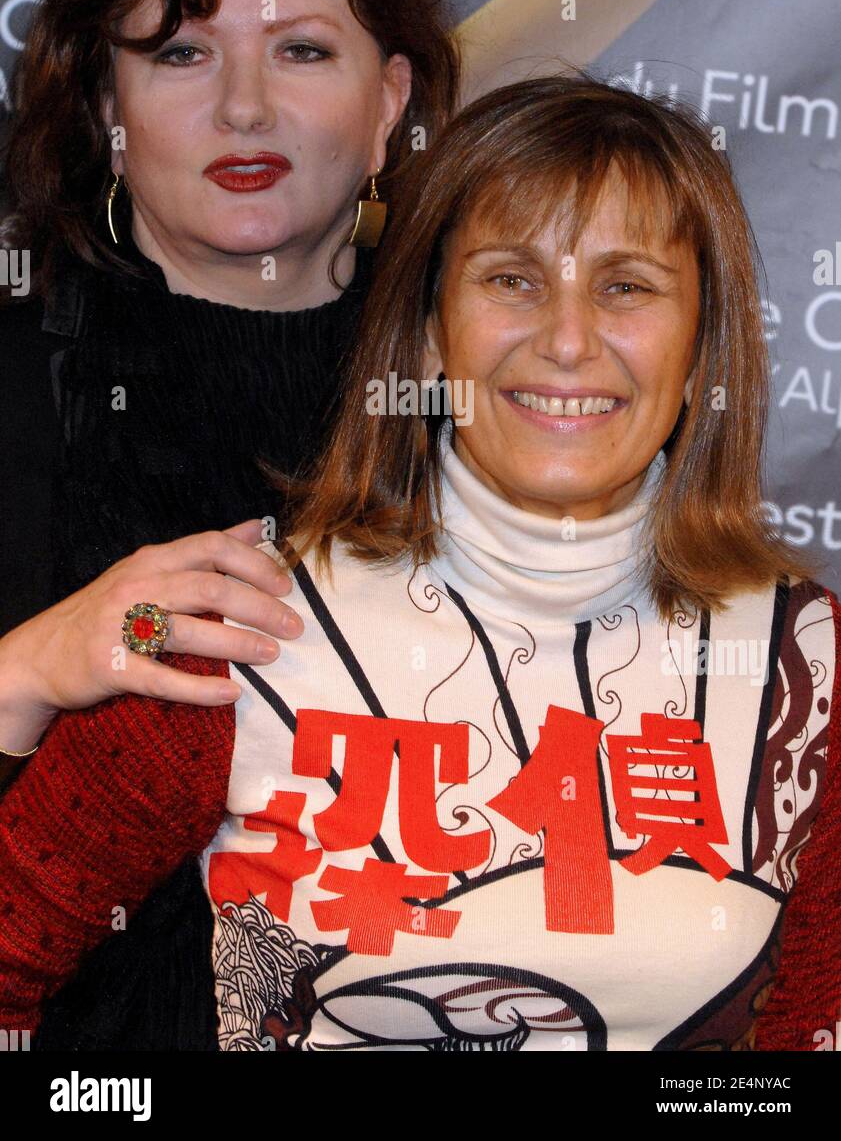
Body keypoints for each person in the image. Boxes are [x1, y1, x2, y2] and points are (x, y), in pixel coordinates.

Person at [1, 74, 837, 1051]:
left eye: (625, 286)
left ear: (700, 351)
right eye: (511, 279)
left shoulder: (803, 661)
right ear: (433, 335)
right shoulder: (246, 630)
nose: (567, 341)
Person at [0, 0, 460, 1049]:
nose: (243, 106)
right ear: (104, 105)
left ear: (390, 105)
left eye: (302, 51)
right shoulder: (17, 364)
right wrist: (35, 668)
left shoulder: (501, 381)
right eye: (181, 54)